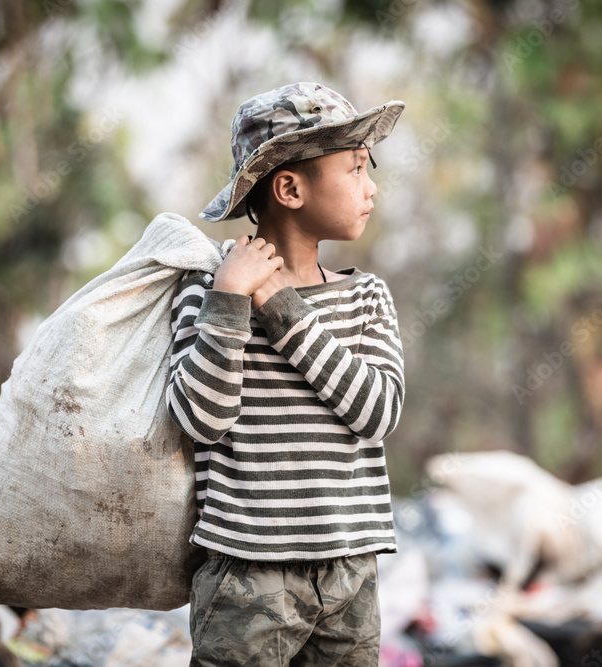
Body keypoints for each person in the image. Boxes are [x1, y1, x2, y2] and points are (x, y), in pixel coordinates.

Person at [164, 81, 407, 666]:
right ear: (291, 187)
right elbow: (200, 421)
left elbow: (376, 413)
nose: (370, 188)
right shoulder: (204, 292)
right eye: (353, 169)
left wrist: (281, 307)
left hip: (350, 571)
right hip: (246, 575)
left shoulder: (366, 297)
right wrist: (230, 301)